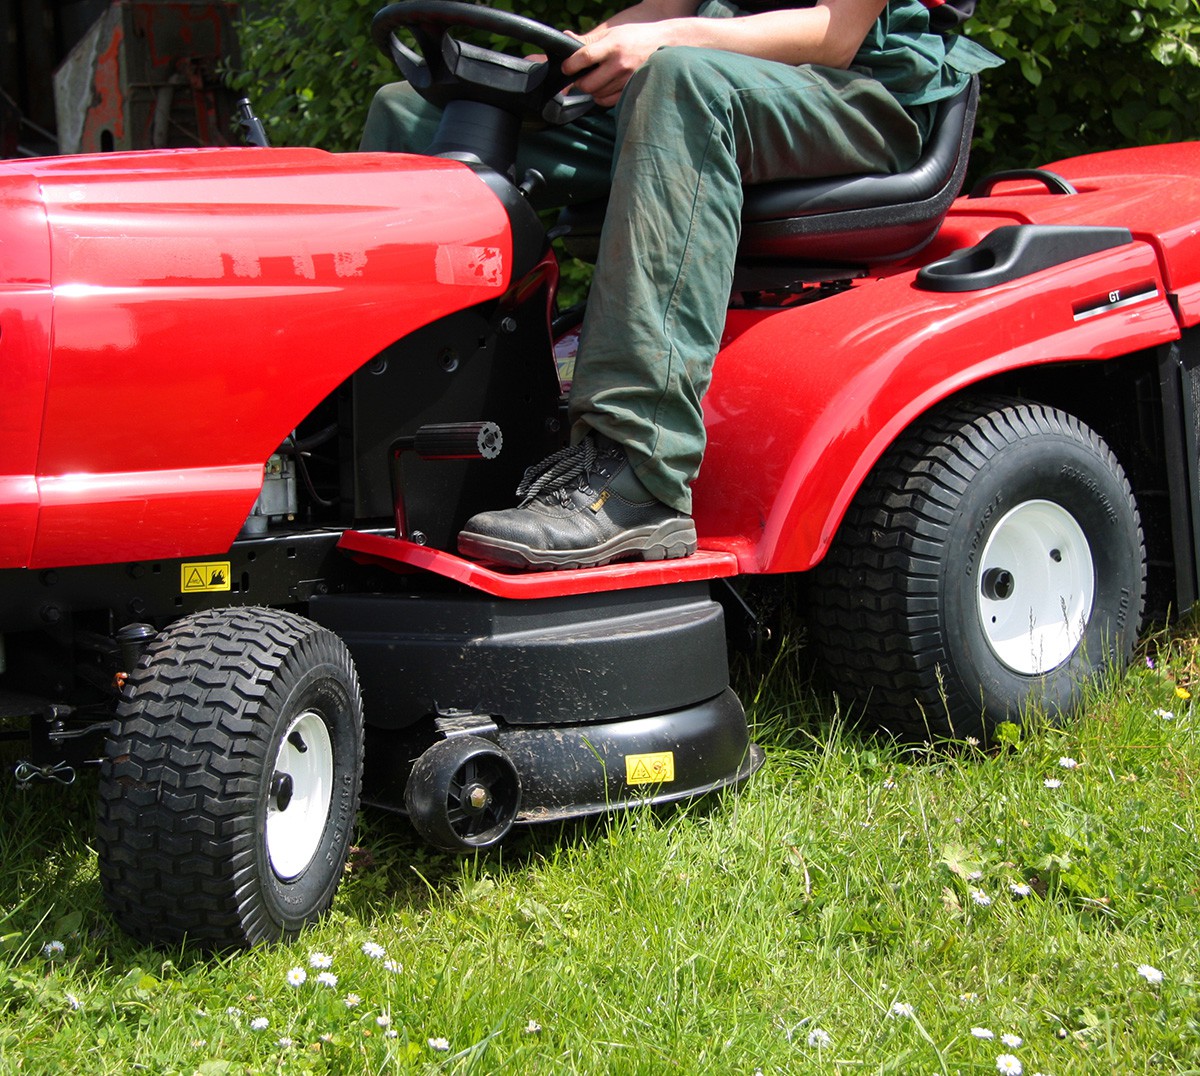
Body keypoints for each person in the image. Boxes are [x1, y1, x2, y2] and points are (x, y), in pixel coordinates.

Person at [361, 0, 999, 570]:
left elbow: (834, 33)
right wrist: (570, 55)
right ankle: (387, 438)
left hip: (854, 94)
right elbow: (664, 9)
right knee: (414, 113)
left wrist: (665, 41)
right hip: (722, 71)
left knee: (676, 79)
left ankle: (637, 478)